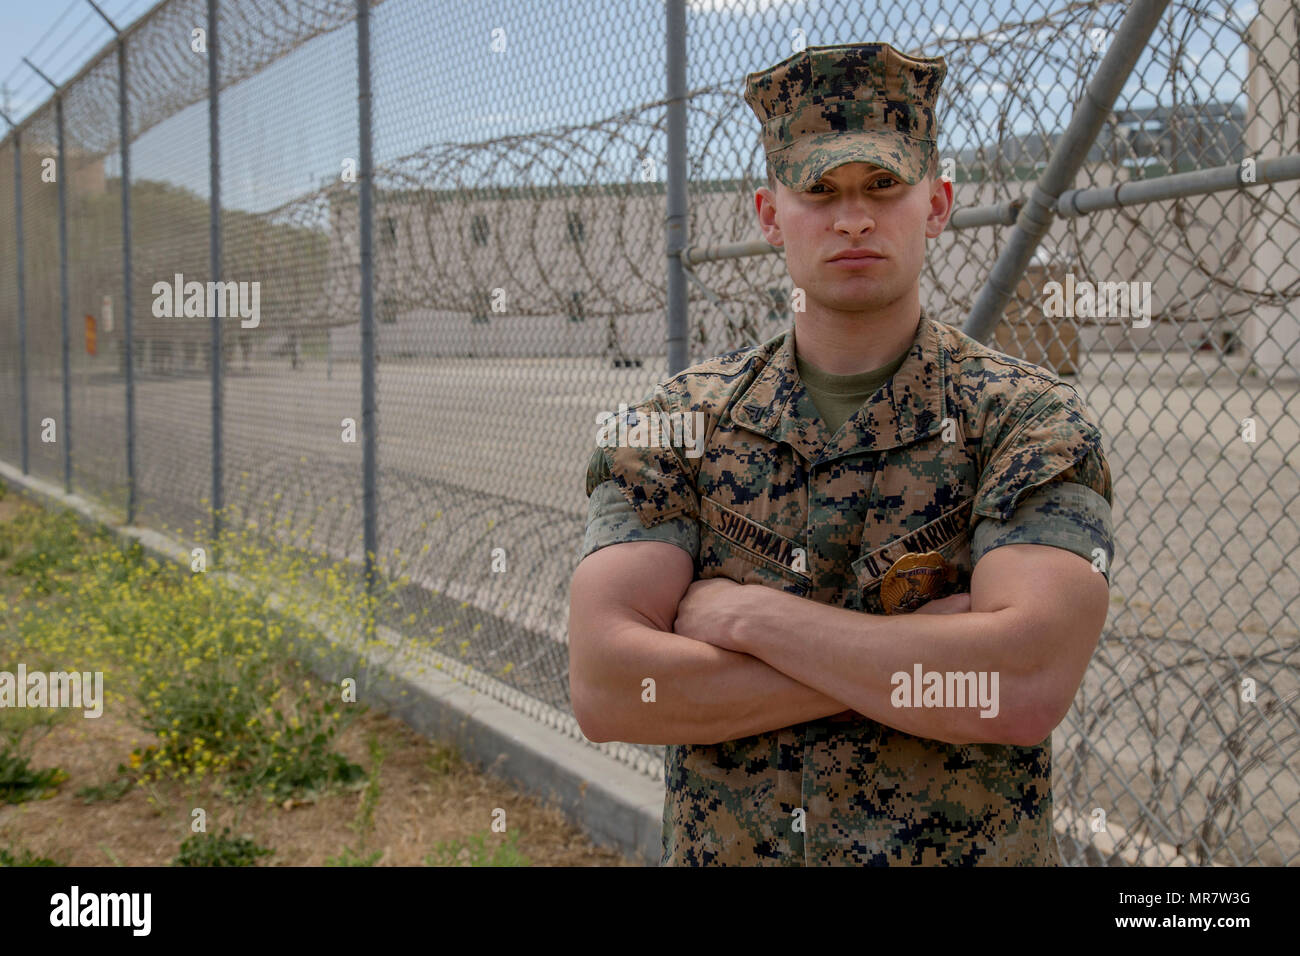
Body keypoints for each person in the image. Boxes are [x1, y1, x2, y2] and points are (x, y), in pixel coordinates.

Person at [568, 41, 1115, 866]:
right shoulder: (675, 426)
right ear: (767, 215)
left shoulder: (1027, 424)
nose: (853, 217)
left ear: (937, 205)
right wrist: (917, 661)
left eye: (883, 187)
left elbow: (1020, 685)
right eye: (819, 191)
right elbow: (611, 687)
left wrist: (752, 622)